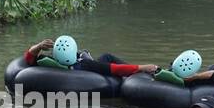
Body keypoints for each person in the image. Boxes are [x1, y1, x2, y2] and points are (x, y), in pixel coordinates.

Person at [22, 35, 158, 79]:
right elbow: (115, 69)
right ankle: (135, 76)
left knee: (103, 56)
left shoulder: (48, 61)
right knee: (107, 56)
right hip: (90, 73)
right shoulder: (86, 64)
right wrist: (142, 67)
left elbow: (29, 57)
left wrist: (39, 46)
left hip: (77, 67)